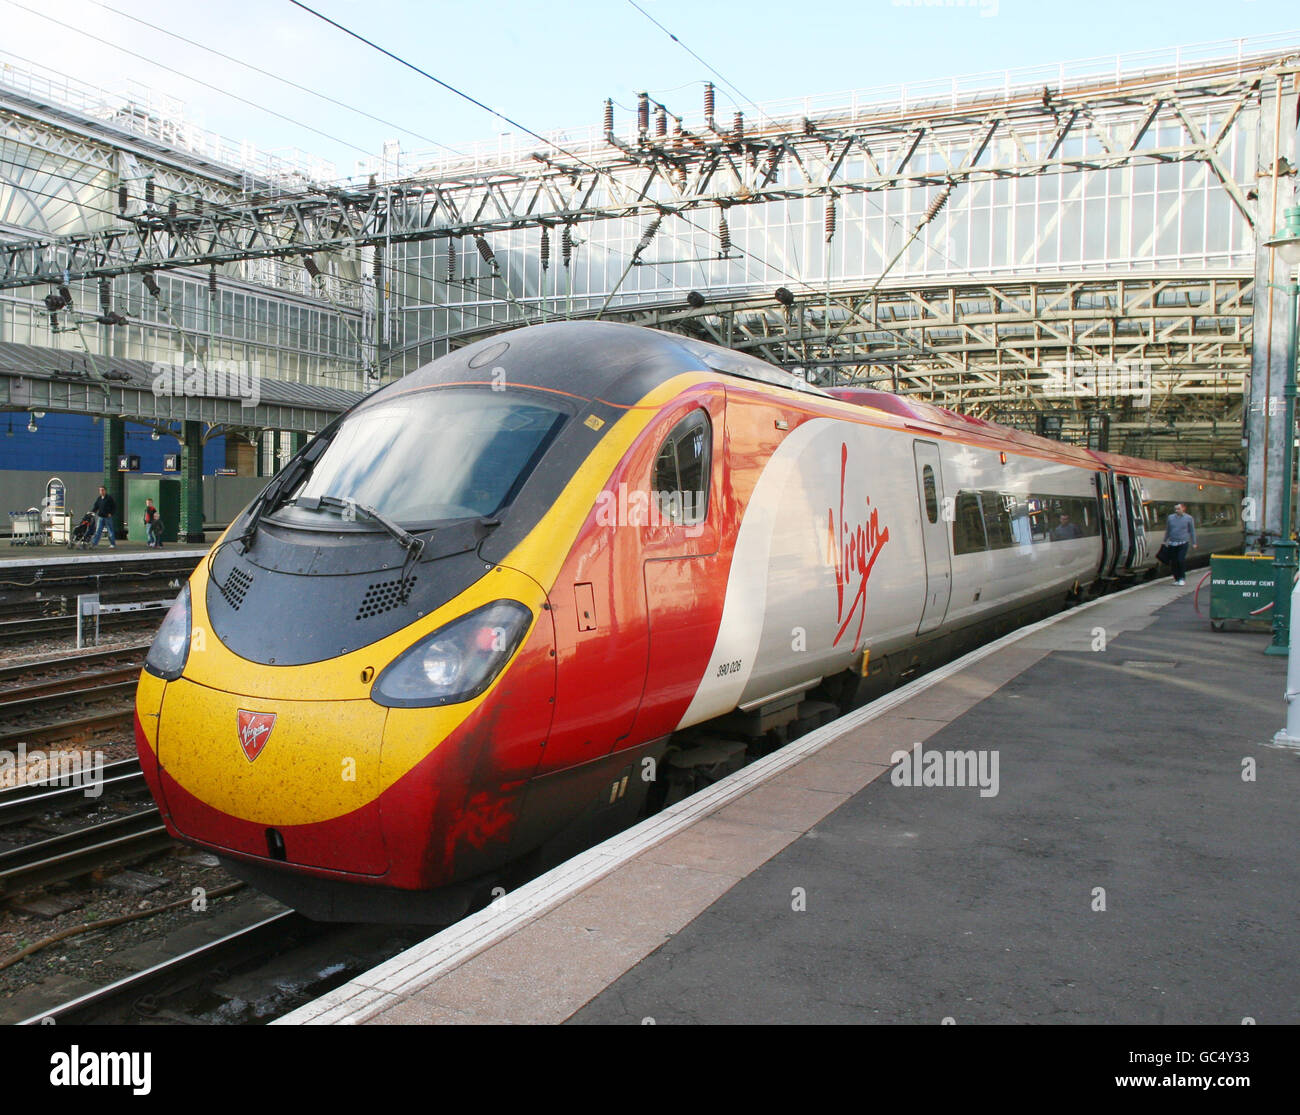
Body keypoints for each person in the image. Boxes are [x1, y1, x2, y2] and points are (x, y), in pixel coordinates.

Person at [1163, 502, 1197, 585]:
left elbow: (1192, 531)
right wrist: (1165, 540)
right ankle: (1176, 578)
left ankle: (1182, 578)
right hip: (1172, 543)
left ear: (1183, 509)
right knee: (1174, 562)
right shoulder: (1170, 518)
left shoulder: (1189, 518)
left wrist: (1194, 542)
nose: (1176, 510)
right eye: (1175, 509)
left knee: (1180, 560)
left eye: (1178, 509)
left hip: (1183, 542)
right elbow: (1168, 529)